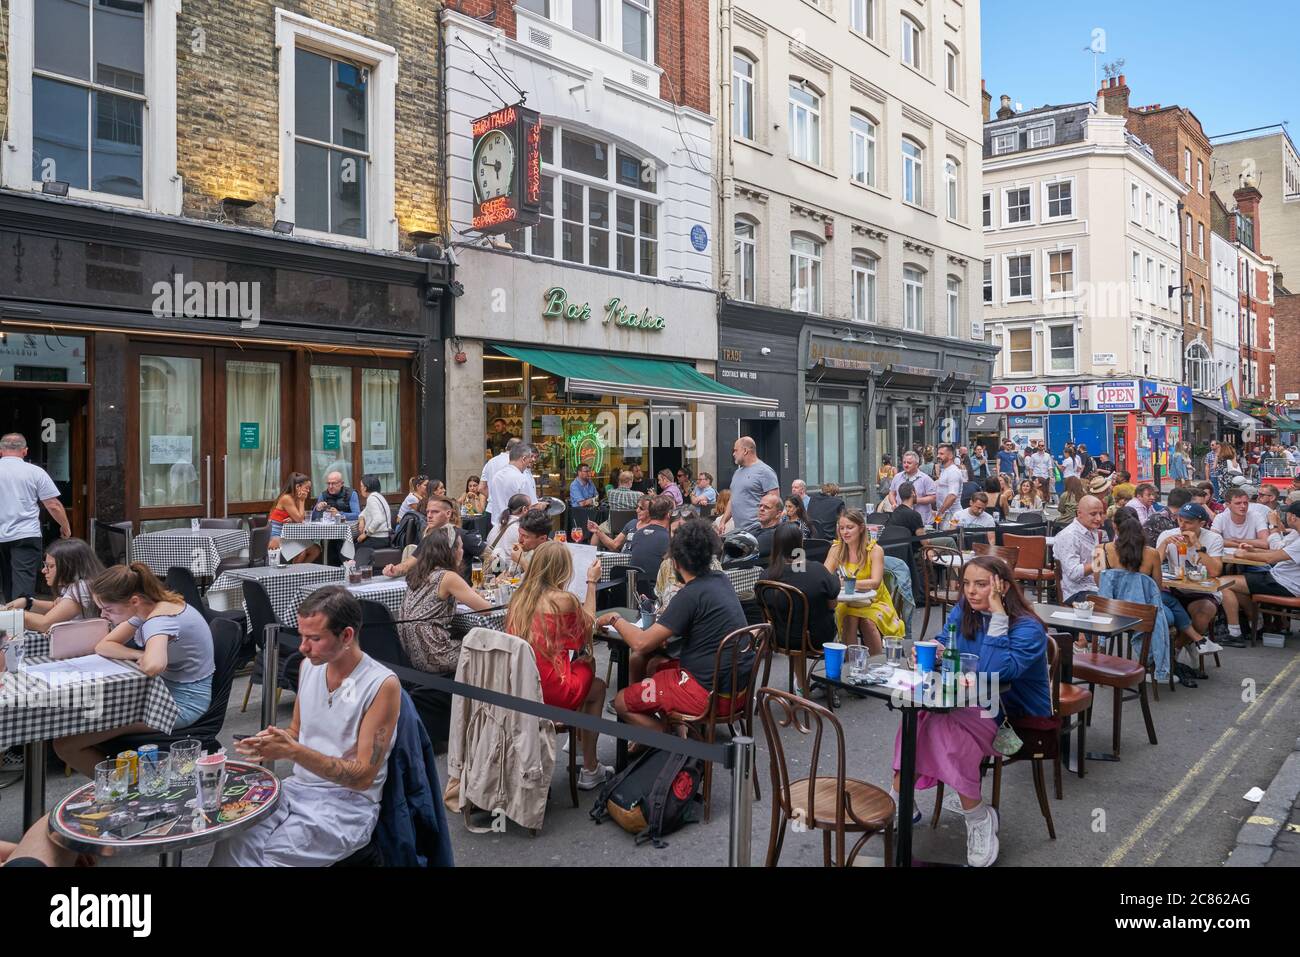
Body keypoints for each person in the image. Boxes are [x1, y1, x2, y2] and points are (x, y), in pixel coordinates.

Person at [210, 587, 400, 866]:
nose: (303, 647)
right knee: (232, 839)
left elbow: (362, 777)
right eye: (301, 636)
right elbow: (297, 731)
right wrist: (273, 742)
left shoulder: (381, 684)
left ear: (346, 636)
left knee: (266, 859)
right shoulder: (310, 666)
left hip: (346, 807)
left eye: (314, 638)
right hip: (297, 789)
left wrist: (293, 751)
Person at [897, 557, 1050, 866]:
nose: (971, 591)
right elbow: (945, 644)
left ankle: (975, 816)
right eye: (966, 583)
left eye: (981, 584)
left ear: (1002, 586)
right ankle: (905, 796)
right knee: (917, 714)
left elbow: (995, 673)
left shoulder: (1028, 628)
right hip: (968, 704)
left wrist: (997, 617)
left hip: (1013, 715)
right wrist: (932, 651)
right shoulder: (964, 612)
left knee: (940, 727)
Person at [54, 564, 216, 777]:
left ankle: (124, 789)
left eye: (109, 609)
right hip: (166, 692)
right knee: (78, 727)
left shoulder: (158, 622)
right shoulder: (151, 607)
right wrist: (139, 654)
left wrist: (147, 656)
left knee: (66, 744)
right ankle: (127, 784)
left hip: (181, 705)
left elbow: (154, 665)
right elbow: (104, 645)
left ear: (133, 600)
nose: (103, 615)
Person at [598, 520, 750, 735]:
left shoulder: (690, 594)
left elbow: (640, 643)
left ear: (676, 562)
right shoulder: (720, 580)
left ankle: (671, 743)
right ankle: (669, 732)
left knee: (622, 702)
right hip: (735, 689)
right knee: (655, 665)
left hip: (705, 694)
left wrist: (615, 618)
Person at [505, 542, 611, 789]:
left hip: (521, 686)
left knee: (585, 671)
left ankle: (578, 737)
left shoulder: (519, 597)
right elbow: (588, 628)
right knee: (593, 674)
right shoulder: (563, 600)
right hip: (551, 692)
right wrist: (592, 583)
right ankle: (589, 765)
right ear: (563, 569)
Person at [1095, 508, 1176, 682]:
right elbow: (1157, 588)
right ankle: (1157, 663)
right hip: (1143, 617)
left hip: (1110, 614)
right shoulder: (1153, 554)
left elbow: (1098, 582)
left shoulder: (1100, 550)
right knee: (1174, 615)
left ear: (1115, 526)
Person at [398, 529, 492, 675]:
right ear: (451, 551)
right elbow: (486, 609)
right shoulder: (448, 577)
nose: (462, 551)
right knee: (488, 650)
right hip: (434, 655)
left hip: (410, 654)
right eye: (460, 547)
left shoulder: (420, 573)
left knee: (464, 637)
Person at [0, 432, 71, 602]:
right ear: (25, 451)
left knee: (5, 581)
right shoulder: (35, 472)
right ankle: (21, 623)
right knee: (23, 582)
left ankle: (7, 620)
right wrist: (65, 527)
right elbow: (53, 505)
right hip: (26, 534)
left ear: (1, 451)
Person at [1154, 503, 1230, 660]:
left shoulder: (1213, 538)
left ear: (1201, 523)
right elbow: (1153, 564)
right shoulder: (1168, 534)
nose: (1182, 525)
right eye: (1180, 520)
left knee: (1203, 612)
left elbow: (1215, 571)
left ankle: (1176, 648)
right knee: (1156, 603)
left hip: (1201, 592)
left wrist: (1197, 545)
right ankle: (1196, 640)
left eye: (1188, 522)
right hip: (1174, 589)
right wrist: (1164, 544)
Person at [824, 508, 905, 655]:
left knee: (867, 622)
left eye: (849, 527)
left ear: (861, 528)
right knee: (849, 619)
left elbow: (875, 582)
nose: (845, 532)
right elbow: (824, 576)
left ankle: (878, 666)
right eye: (841, 528)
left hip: (874, 600)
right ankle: (851, 669)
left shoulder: (874, 550)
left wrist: (847, 583)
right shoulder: (836, 549)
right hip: (846, 602)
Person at [759, 523, 840, 650]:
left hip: (780, 638)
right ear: (801, 543)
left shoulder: (765, 576)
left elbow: (767, 613)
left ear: (775, 545)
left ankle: (797, 671)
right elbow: (832, 604)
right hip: (815, 638)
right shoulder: (817, 570)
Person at [4, 537, 104, 632]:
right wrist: (28, 602)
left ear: (69, 567)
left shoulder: (82, 587)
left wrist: (10, 614)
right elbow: (57, 608)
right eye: (45, 565)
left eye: (50, 566)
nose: (44, 570)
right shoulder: (76, 585)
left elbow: (44, 624)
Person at [715, 436, 779, 534]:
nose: (733, 454)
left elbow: (775, 501)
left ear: (745, 451)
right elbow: (733, 500)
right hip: (739, 530)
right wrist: (723, 521)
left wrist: (768, 528)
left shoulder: (765, 471)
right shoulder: (737, 473)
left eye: (735, 450)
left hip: (758, 529)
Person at [1055, 495, 1107, 604]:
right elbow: (1073, 573)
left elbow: (1099, 568)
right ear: (1079, 513)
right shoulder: (1069, 536)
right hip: (1077, 592)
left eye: (1101, 514)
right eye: (1093, 514)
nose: (1098, 518)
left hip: (1096, 587)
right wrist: (1102, 560)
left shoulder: (1094, 531)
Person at [269, 472, 322, 564]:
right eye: (306, 488)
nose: (308, 491)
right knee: (301, 551)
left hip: (288, 535)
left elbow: (298, 518)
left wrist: (293, 519)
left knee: (315, 549)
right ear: (298, 487)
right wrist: (302, 501)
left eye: (309, 488)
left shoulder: (295, 498)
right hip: (277, 537)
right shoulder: (287, 498)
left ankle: (300, 573)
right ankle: (293, 575)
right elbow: (300, 519)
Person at [487, 442, 538, 525]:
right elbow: (532, 507)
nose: (532, 460)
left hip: (497, 527)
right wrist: (542, 506)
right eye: (530, 458)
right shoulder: (522, 479)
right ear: (524, 459)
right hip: (516, 527)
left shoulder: (497, 476)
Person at [353, 474, 392, 568]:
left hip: (378, 538)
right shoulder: (378, 496)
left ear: (366, 487)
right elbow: (364, 512)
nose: (360, 489)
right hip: (385, 537)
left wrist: (365, 533)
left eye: (361, 486)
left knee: (356, 544)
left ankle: (357, 570)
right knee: (356, 542)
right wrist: (362, 519)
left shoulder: (372, 499)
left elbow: (378, 519)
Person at [890, 451, 939, 523]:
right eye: (904, 462)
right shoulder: (897, 477)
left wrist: (915, 500)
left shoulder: (925, 479)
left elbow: (933, 498)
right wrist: (894, 503)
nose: (906, 465)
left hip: (922, 520)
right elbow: (891, 493)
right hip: (901, 519)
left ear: (917, 464)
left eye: (909, 463)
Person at [487, 493, 532, 566]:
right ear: (524, 509)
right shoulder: (521, 530)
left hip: (493, 571)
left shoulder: (496, 527)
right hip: (509, 573)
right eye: (531, 507)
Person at [741, 491, 785, 560]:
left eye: (767, 507)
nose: (761, 509)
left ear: (778, 514)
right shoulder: (755, 528)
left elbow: (744, 552)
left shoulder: (775, 533)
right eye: (760, 506)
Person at [480, 437, 522, 509]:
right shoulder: (518, 463)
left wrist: (494, 497)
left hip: (492, 508)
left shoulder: (490, 462)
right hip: (511, 509)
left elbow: (481, 488)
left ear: (506, 447)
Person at [933, 443, 965, 524]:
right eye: (938, 453)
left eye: (941, 454)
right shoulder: (945, 470)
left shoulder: (953, 471)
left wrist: (939, 514)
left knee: (950, 536)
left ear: (950, 456)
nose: (938, 456)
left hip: (953, 516)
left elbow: (952, 496)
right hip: (946, 515)